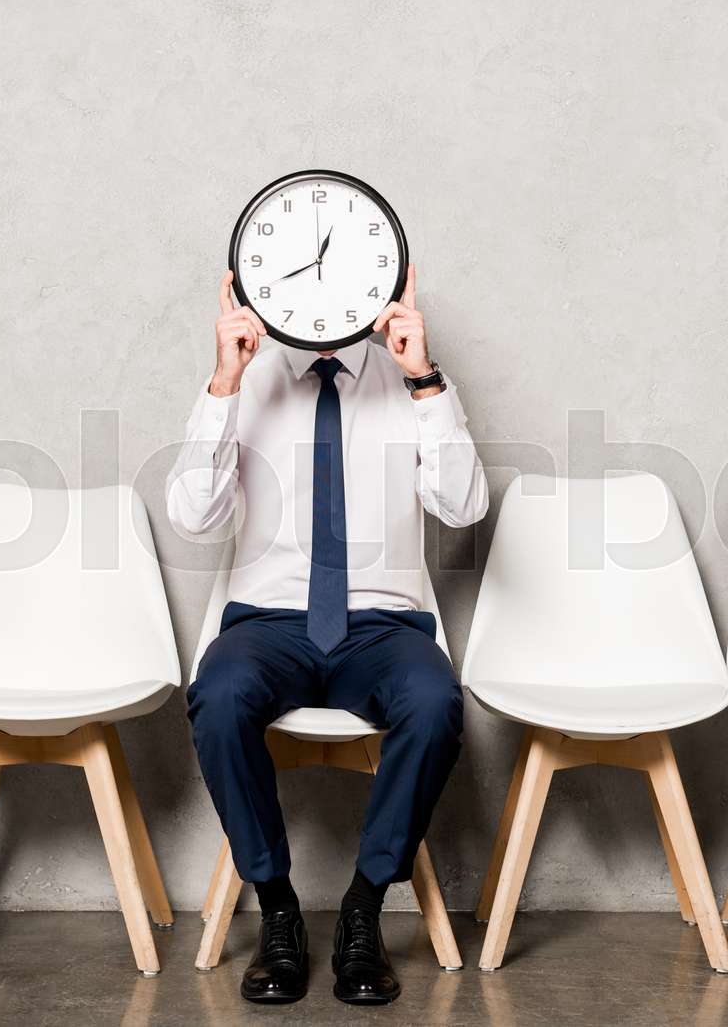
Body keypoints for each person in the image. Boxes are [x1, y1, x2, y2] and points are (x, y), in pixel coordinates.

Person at [168, 265, 488, 1005]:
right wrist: (223, 384)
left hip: (381, 626)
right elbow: (192, 517)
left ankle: (364, 906)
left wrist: (426, 380)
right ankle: (277, 906)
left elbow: (465, 505)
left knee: (435, 699)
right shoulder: (244, 381)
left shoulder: (408, 383)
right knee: (217, 695)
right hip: (269, 625)